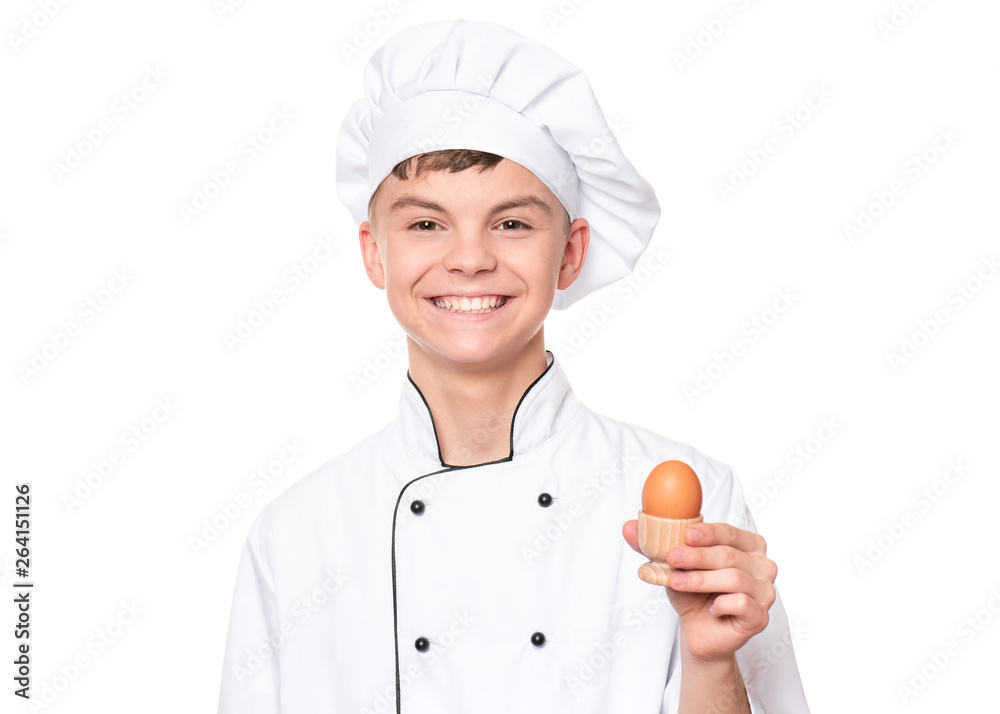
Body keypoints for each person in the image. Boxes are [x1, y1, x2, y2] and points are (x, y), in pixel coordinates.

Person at [216, 18, 809, 714]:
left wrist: (711, 659)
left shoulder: (692, 501)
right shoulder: (297, 535)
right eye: (426, 224)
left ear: (570, 252)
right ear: (375, 252)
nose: (470, 259)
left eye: (512, 223)